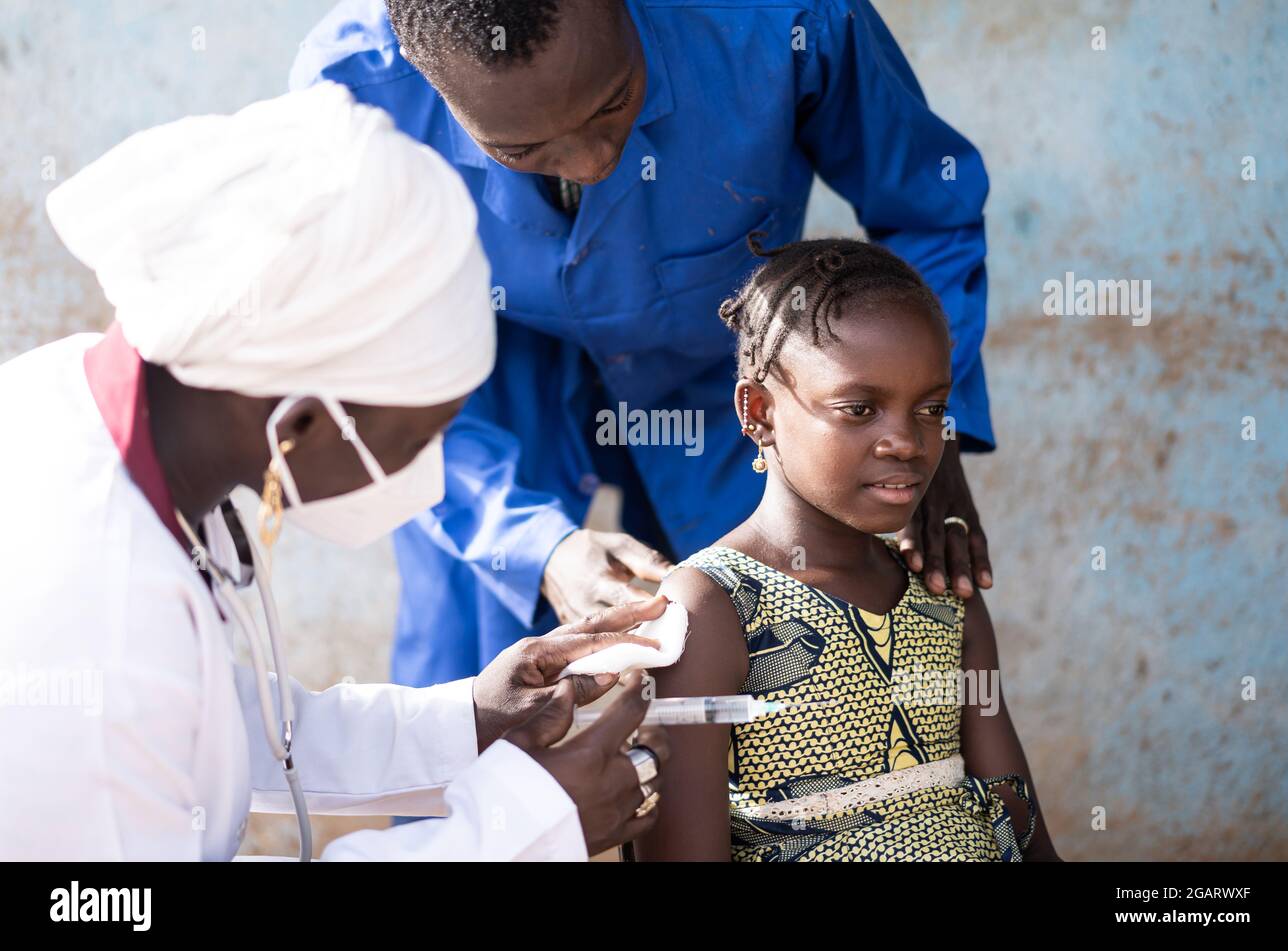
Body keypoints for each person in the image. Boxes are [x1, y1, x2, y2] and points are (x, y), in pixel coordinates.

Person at [0, 82, 668, 861]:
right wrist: (526, 825)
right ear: (301, 425)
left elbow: (205, 724)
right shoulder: (94, 612)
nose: (429, 471)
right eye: (420, 436)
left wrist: (471, 717)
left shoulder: (100, 407)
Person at [290, 0, 999, 689]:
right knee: (476, 681)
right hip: (476, 379)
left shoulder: (788, 21)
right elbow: (374, 362)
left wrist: (933, 419)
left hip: (716, 361)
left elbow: (925, 214)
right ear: (422, 71)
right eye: (521, 149)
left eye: (613, 102)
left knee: (786, 643)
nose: (593, 161)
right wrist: (536, 546)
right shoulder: (351, 93)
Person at [633, 236, 1059, 861]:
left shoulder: (941, 597)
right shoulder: (713, 609)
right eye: (860, 409)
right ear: (760, 412)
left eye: (930, 408)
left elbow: (1022, 833)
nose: (906, 442)